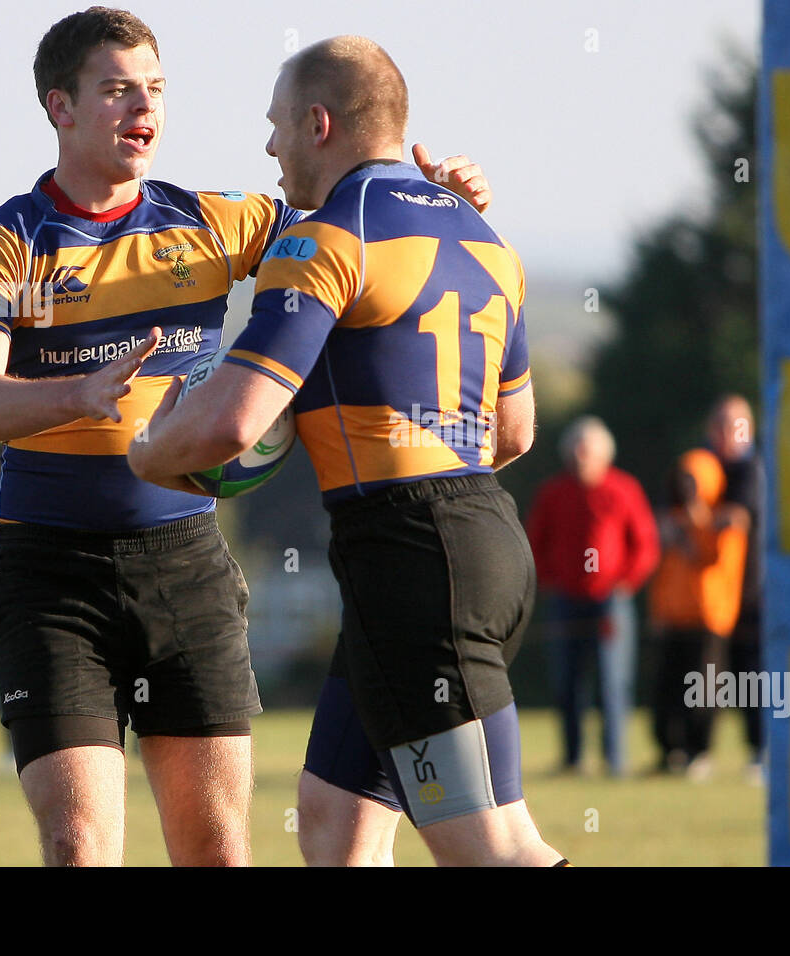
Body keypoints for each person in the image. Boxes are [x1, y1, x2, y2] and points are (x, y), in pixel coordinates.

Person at [0, 7, 490, 866]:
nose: (141, 107)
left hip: (186, 566)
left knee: (218, 852)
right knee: (79, 844)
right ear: (60, 107)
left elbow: (354, 229)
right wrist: (83, 391)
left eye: (153, 89)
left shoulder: (215, 221)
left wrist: (442, 205)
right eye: (116, 90)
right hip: (50, 573)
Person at [130, 35, 566, 867]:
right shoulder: (485, 240)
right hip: (473, 540)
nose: (268, 147)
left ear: (318, 124)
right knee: (334, 822)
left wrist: (148, 453)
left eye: (277, 125)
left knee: (497, 848)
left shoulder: (324, 241)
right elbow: (514, 435)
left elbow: (231, 423)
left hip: (416, 560)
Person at [525, 416, 658, 776]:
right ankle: (572, 759)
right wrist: (549, 579)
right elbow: (535, 541)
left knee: (613, 680)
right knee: (567, 681)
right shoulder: (554, 492)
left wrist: (626, 582)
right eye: (577, 450)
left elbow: (645, 544)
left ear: (604, 454)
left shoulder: (624, 489)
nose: (582, 457)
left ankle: (615, 761)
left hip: (611, 601)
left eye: (588, 450)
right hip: (566, 600)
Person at [647, 448, 747, 780]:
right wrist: (657, 609)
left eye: (695, 480)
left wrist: (693, 528)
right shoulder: (672, 519)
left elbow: (716, 562)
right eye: (684, 479)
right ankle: (668, 750)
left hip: (709, 617)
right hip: (674, 616)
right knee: (666, 688)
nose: (689, 486)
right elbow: (661, 570)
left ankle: (699, 751)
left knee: (703, 689)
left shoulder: (726, 519)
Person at [705, 394, 766, 779]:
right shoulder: (708, 468)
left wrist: (697, 519)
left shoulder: (750, 470)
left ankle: (761, 750)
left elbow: (736, 518)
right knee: (709, 674)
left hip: (752, 591)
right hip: (715, 594)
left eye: (737, 425)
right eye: (723, 425)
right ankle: (696, 752)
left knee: (753, 674)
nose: (730, 433)